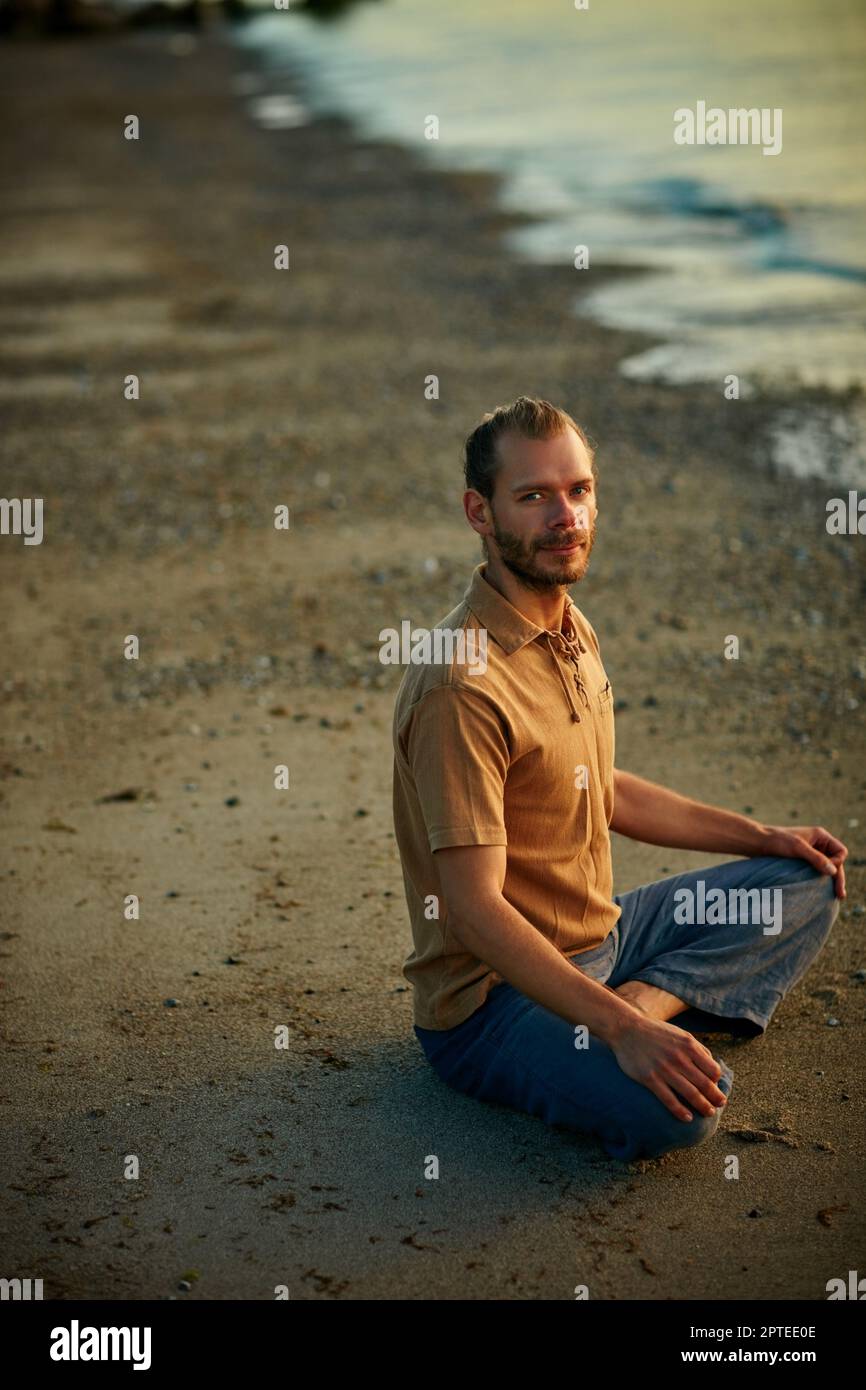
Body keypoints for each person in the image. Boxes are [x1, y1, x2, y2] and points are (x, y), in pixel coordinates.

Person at [390, 395, 845, 1163]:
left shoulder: (566, 623)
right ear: (480, 510)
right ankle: (629, 1013)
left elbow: (603, 790)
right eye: (533, 496)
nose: (565, 516)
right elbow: (469, 912)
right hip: (494, 1003)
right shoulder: (461, 684)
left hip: (606, 936)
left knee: (805, 881)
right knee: (684, 1114)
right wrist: (624, 1036)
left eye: (578, 490)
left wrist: (764, 836)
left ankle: (648, 994)